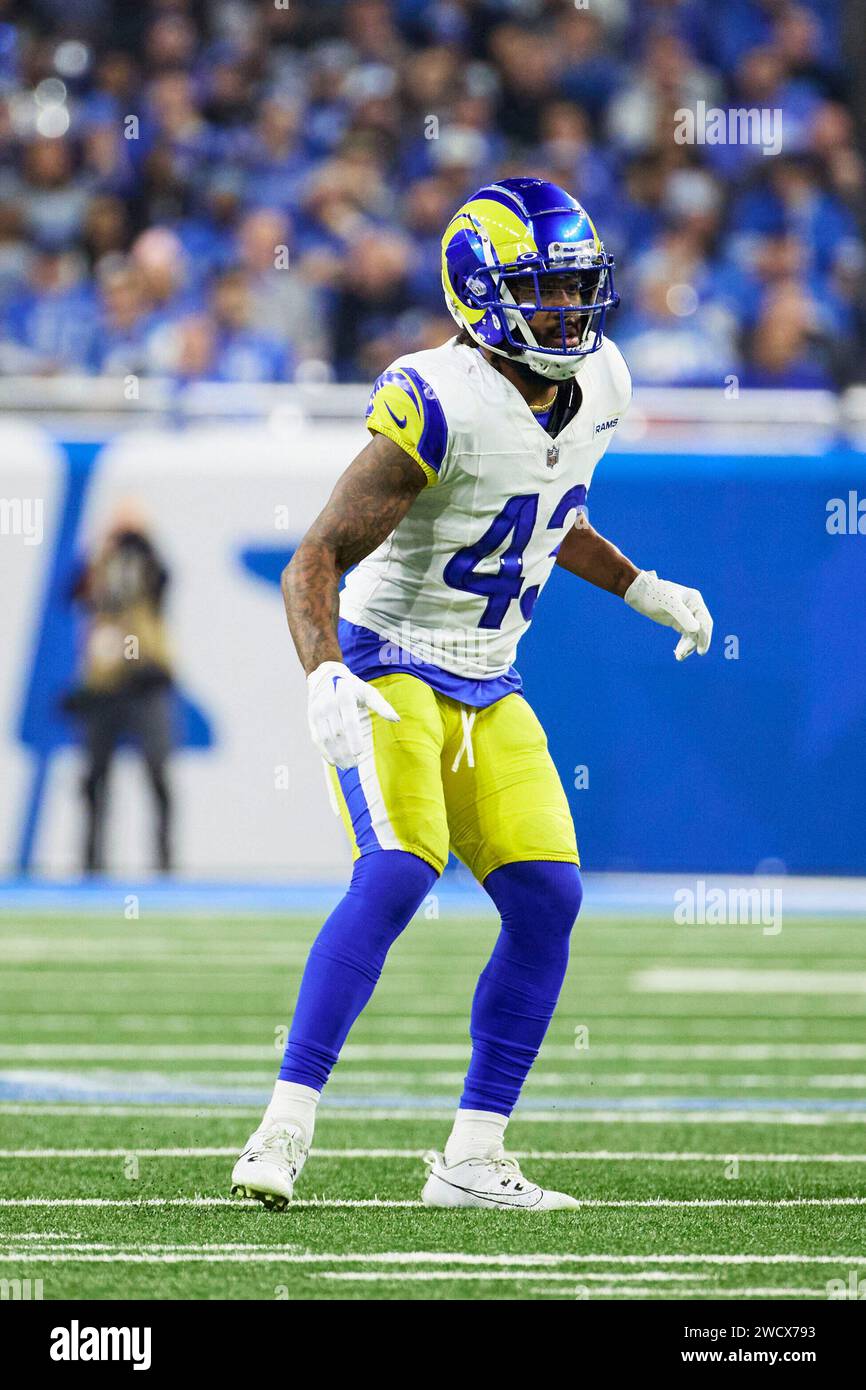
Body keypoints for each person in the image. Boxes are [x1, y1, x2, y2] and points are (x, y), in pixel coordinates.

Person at [232, 178, 712, 1210]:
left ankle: (470, 1155)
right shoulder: (436, 397)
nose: (565, 313)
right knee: (399, 871)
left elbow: (540, 510)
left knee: (546, 900)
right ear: (480, 296)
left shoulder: (600, 383)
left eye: (575, 289)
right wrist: (325, 670)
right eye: (540, 292)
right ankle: (282, 1126)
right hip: (391, 658)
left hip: (488, 679)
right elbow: (313, 555)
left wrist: (639, 586)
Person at [67, 501, 175, 874]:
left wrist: (138, 544)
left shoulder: (149, 566)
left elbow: (161, 581)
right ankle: (91, 863)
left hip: (147, 680)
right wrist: (104, 550)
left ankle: (164, 863)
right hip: (106, 685)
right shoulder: (100, 568)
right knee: (95, 777)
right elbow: (74, 593)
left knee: (157, 773)